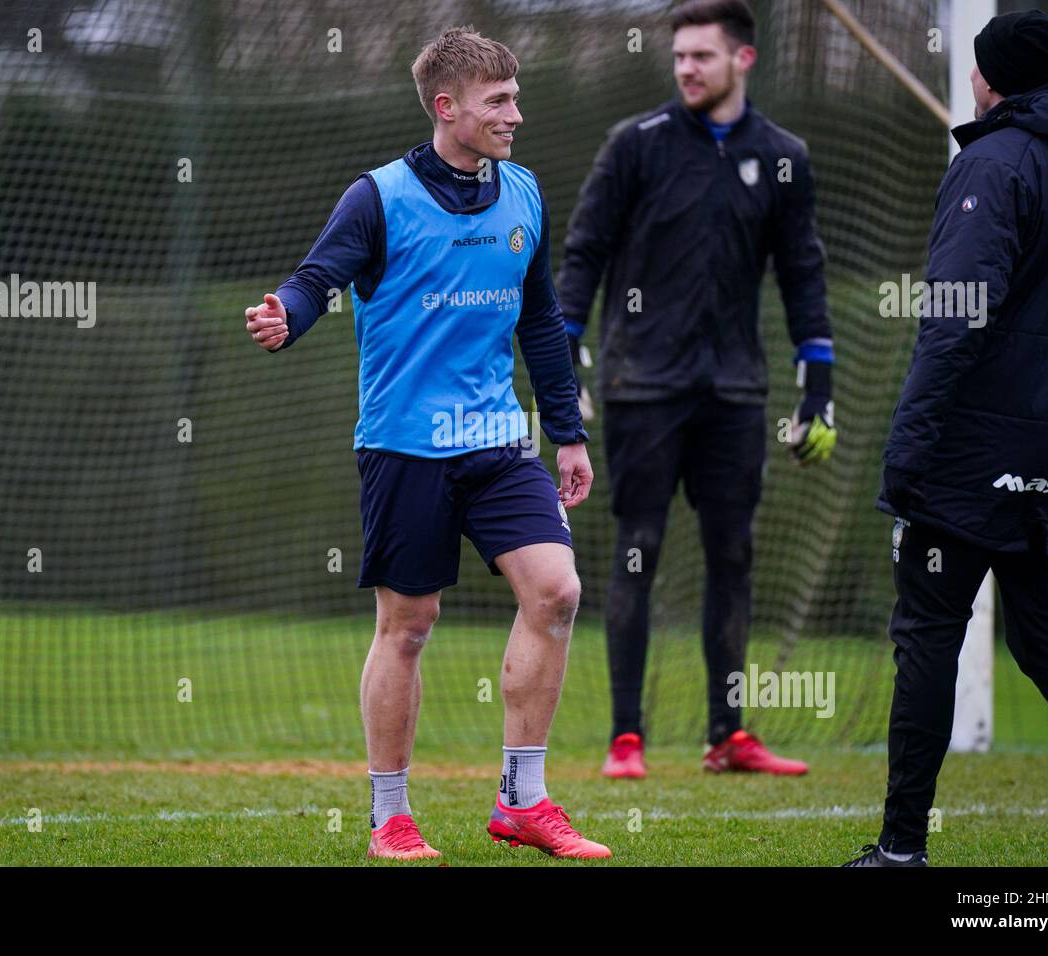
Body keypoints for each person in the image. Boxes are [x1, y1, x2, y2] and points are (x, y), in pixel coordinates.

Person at [246, 26, 610, 861]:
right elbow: (316, 279)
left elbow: (542, 325)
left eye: (516, 97)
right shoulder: (377, 196)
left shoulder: (523, 193)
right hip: (404, 445)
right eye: (499, 101)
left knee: (555, 591)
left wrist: (568, 433)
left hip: (496, 440)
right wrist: (285, 317)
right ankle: (390, 817)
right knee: (409, 626)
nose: (515, 114)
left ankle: (524, 800)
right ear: (447, 108)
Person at [845, 9, 1048, 867]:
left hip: (976, 446)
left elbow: (954, 322)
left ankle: (902, 850)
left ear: (993, 78)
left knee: (930, 628)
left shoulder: (994, 163)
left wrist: (910, 445)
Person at [559, 0, 834, 779]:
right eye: (679, 55)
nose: (685, 68)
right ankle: (626, 739)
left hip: (737, 393)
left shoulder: (784, 156)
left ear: (742, 59)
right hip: (640, 386)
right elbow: (581, 258)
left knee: (733, 556)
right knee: (638, 551)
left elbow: (804, 276)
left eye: (702, 56)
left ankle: (727, 735)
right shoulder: (634, 147)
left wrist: (820, 390)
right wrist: (562, 366)